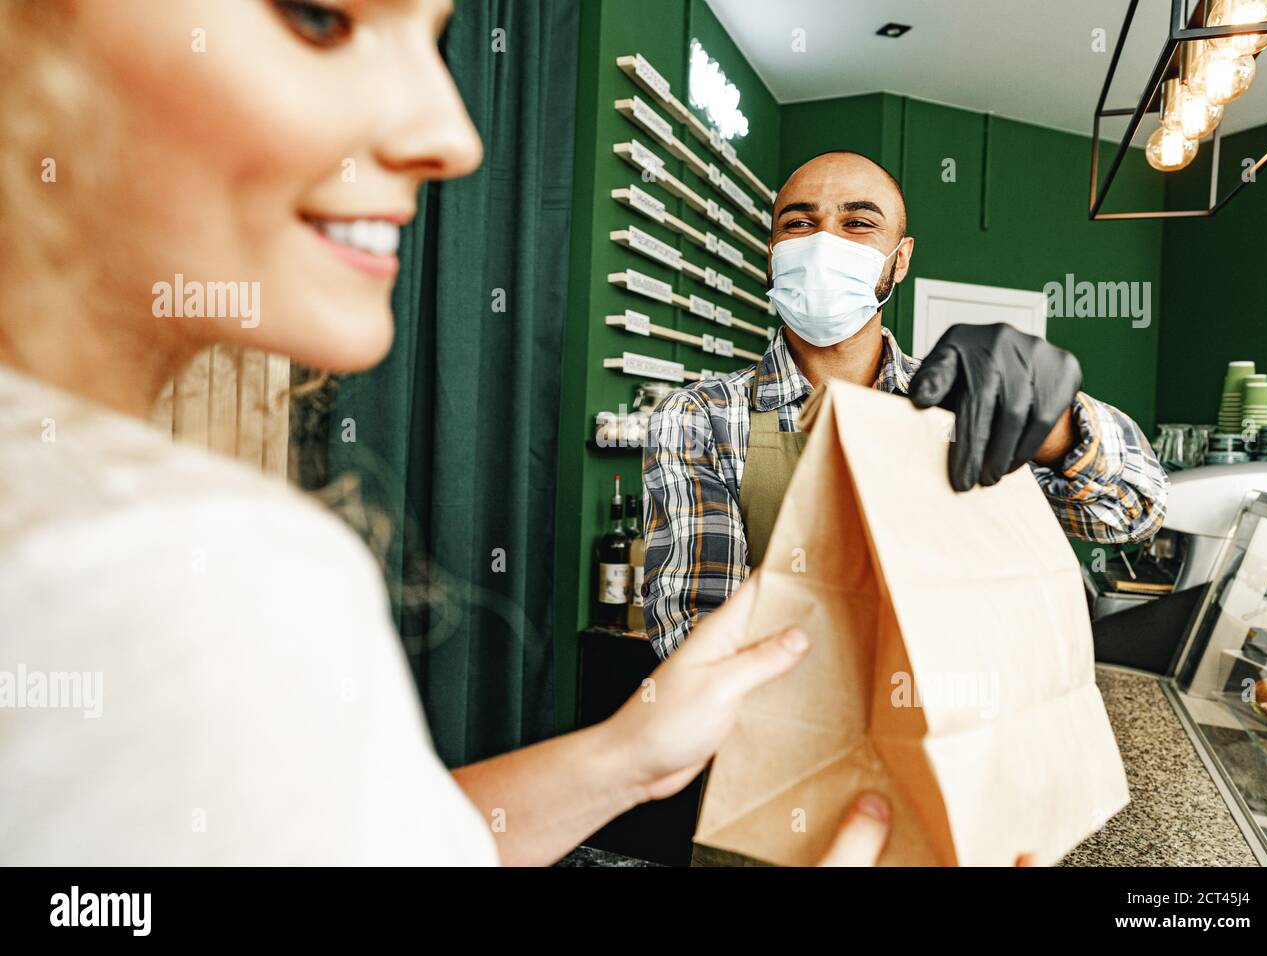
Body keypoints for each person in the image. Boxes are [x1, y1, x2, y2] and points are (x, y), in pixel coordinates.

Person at [0, 0, 892, 866]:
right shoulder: (162, 567)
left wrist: (629, 753)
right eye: (320, 18)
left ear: (900, 258)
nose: (454, 138)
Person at [642, 150, 1170, 658]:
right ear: (773, 254)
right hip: (783, 734)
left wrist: (1055, 431)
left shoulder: (960, 403)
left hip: (957, 729)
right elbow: (696, 634)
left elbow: (1133, 515)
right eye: (799, 224)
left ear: (901, 259)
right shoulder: (698, 416)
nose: (825, 242)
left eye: (858, 223)